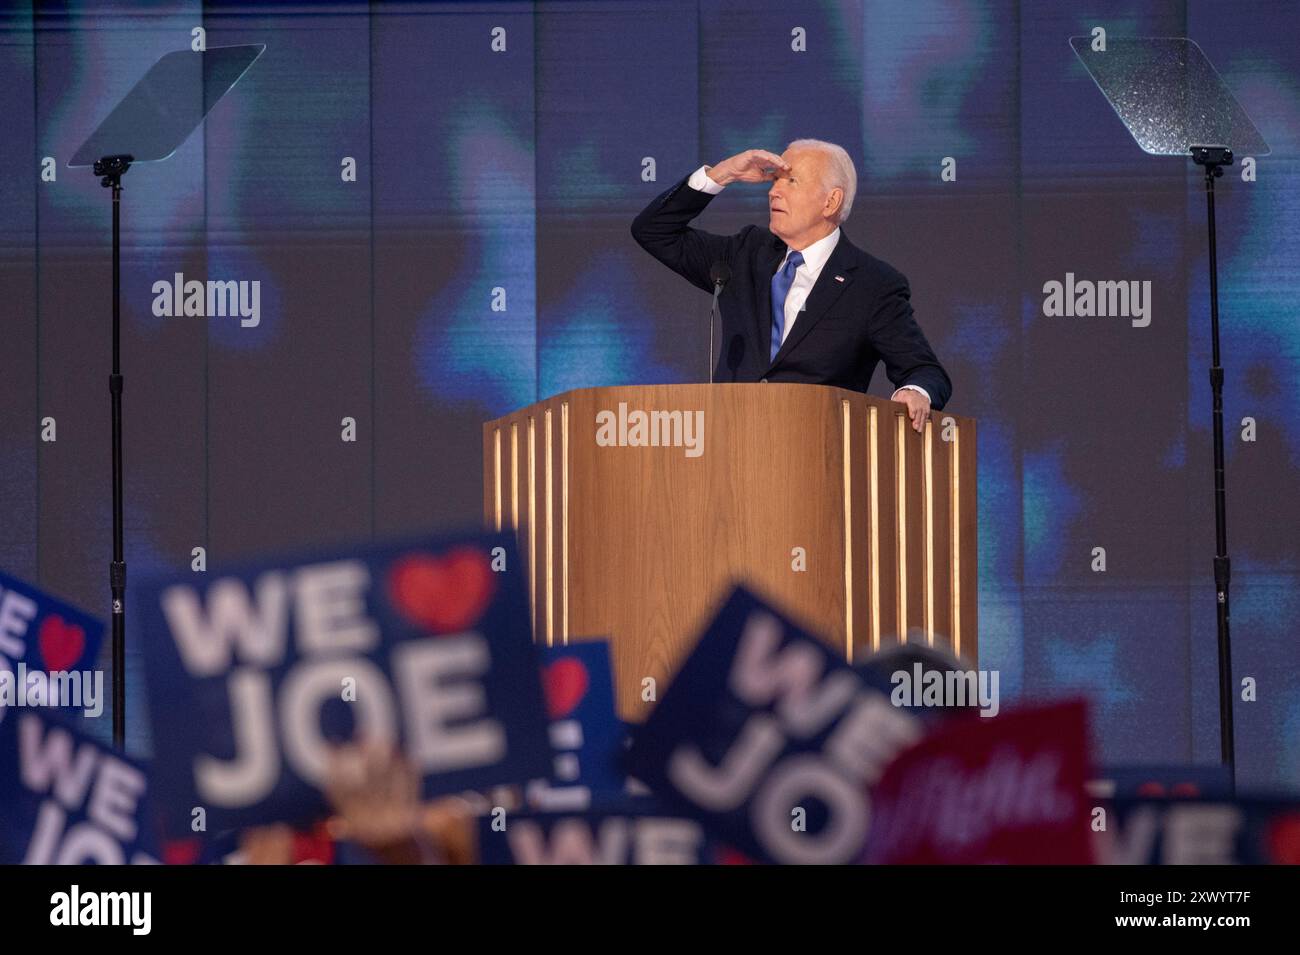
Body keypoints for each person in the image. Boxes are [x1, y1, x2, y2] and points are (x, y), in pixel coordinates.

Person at [631, 140, 951, 431]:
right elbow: (653, 230)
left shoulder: (872, 284)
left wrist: (914, 391)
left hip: (816, 463)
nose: (774, 191)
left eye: (791, 181)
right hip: (728, 454)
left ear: (831, 202)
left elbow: (925, 370)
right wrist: (722, 174)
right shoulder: (746, 254)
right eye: (774, 180)